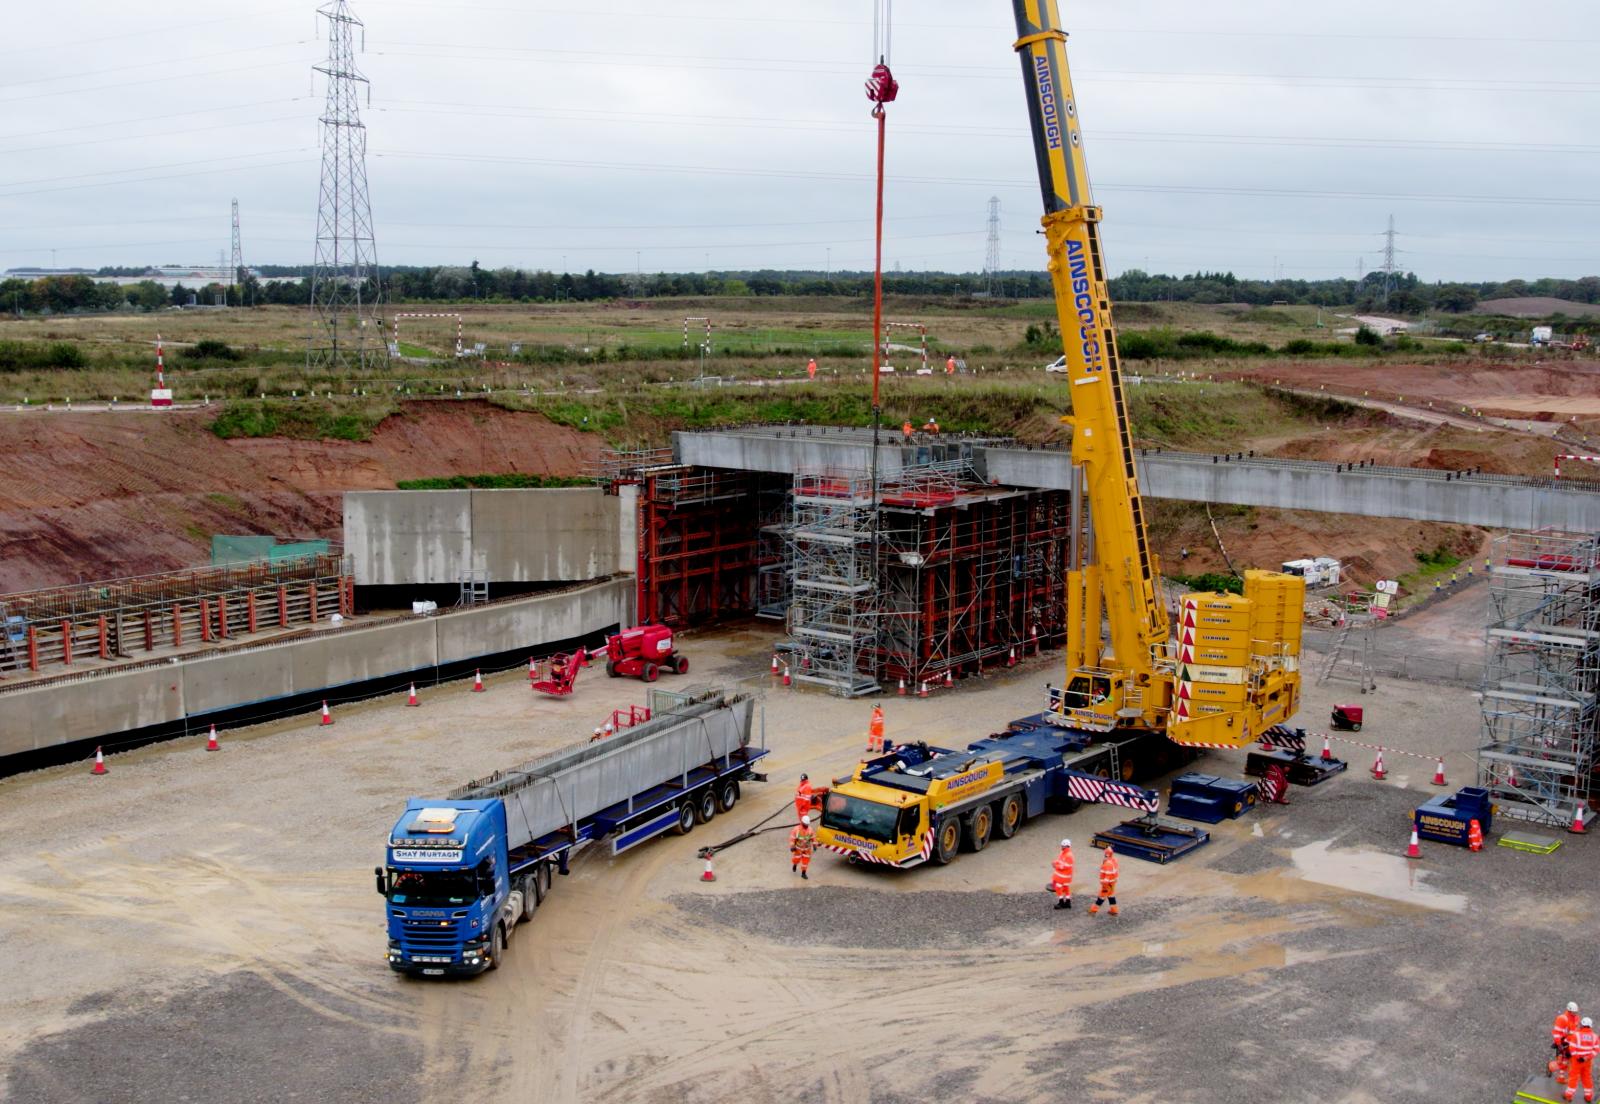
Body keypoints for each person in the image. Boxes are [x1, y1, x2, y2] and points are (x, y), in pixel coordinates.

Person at [1569, 1016, 1599, 1103]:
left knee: (1573, 1078)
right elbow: (1596, 1050)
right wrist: (1586, 1058)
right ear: (1590, 1026)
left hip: (1577, 1061)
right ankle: (1588, 1096)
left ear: (1582, 1025)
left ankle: (1569, 1096)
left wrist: (1578, 1058)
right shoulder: (1595, 1036)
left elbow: (1572, 1049)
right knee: (1587, 1078)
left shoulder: (1576, 1035)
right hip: (1587, 1062)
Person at [1556, 1003, 1584, 1081]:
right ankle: (1559, 1075)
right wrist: (1559, 1044)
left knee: (1568, 1060)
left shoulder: (1576, 1018)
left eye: (1576, 1012)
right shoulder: (1562, 1019)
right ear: (1569, 1011)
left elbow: (1576, 1030)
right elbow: (1557, 1032)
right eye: (1574, 1012)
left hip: (1571, 1042)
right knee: (1563, 1060)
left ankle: (1563, 1076)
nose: (1575, 1013)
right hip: (1564, 1042)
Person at [1089, 845, 1119, 915]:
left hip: (1107, 884)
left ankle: (1093, 910)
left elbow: (1107, 877)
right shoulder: (1114, 860)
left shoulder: (1108, 863)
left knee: (1101, 897)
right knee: (1111, 896)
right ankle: (1114, 910)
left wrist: (1104, 886)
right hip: (1112, 883)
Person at [1050, 838, 1074, 910]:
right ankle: (1068, 902)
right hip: (1063, 876)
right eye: (1062, 846)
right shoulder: (1063, 853)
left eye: (1064, 846)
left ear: (1068, 846)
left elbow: (1066, 866)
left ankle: (1061, 903)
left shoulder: (1069, 856)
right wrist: (1055, 862)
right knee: (1066, 888)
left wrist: (1056, 866)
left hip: (1064, 876)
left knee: (1058, 888)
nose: (1062, 847)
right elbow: (1059, 860)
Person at [790, 815, 816, 879]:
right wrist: (792, 846)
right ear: (802, 822)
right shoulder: (796, 829)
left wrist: (815, 845)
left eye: (807, 824)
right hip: (798, 849)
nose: (806, 826)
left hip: (807, 849)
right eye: (805, 824)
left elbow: (813, 838)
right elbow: (792, 838)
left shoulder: (810, 830)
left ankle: (803, 873)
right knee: (796, 859)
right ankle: (795, 864)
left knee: (805, 861)